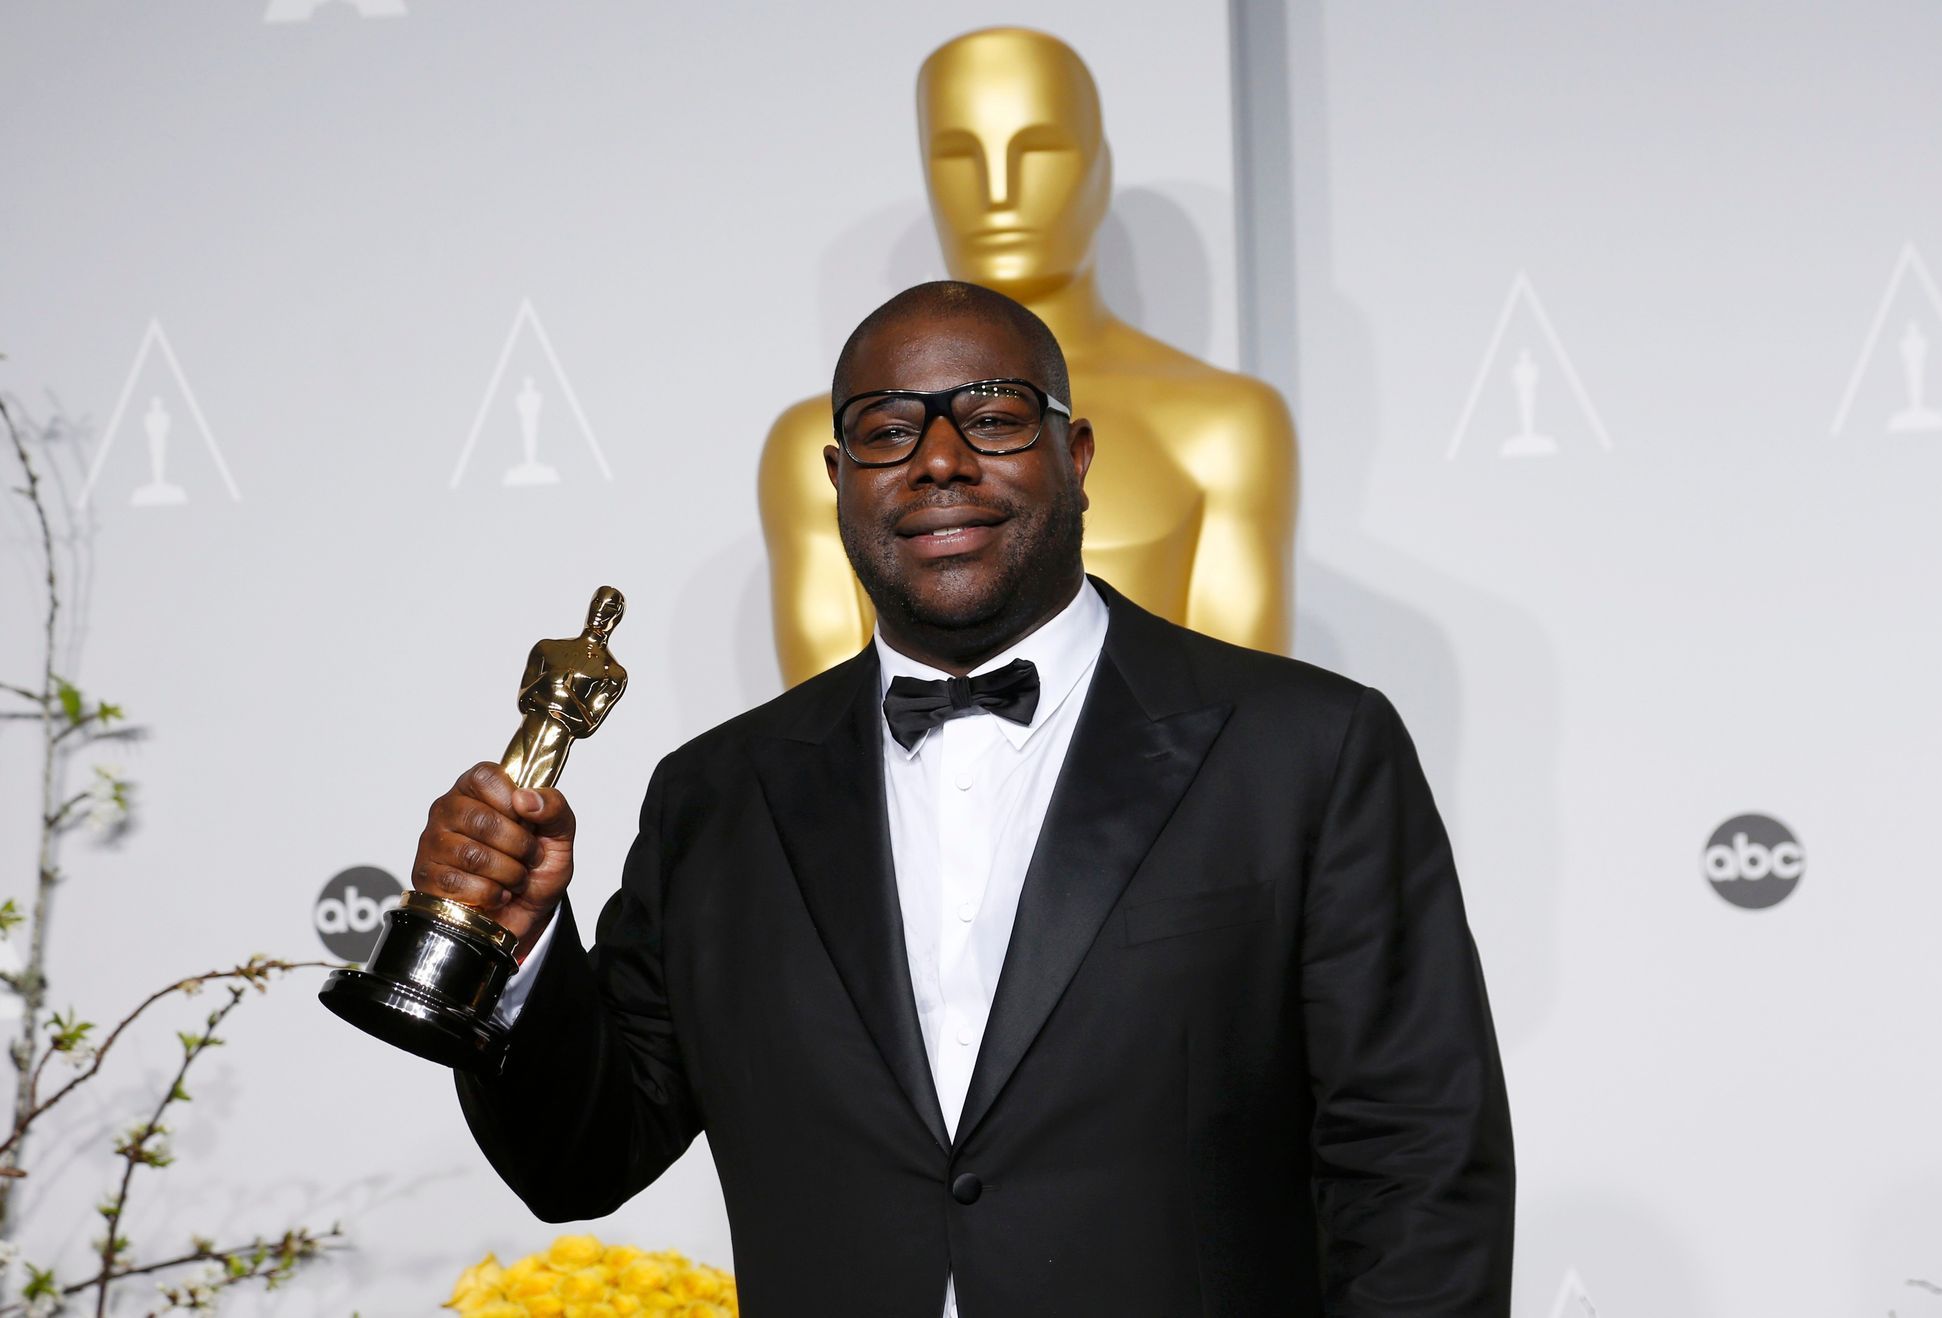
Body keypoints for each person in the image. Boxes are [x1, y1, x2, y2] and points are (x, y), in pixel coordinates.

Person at [417, 282, 1514, 1316]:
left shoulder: (1305, 749)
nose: (938, 461)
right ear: (840, 476)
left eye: (991, 417)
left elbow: (1417, 1155)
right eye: (890, 429)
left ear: (1075, 455)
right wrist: (513, 958)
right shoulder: (718, 795)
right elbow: (581, 1161)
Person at [758, 28, 1296, 686]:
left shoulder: (1226, 424)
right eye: (958, 157)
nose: (999, 190)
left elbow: (1244, 723)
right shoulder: (815, 442)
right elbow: (820, 744)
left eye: (1039, 149)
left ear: (1101, 170)